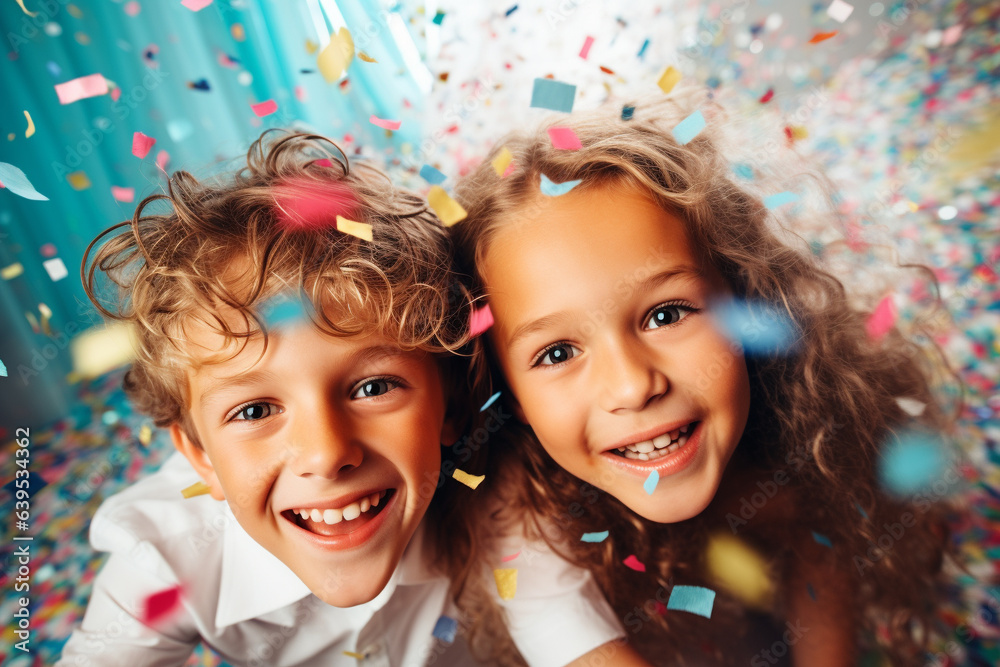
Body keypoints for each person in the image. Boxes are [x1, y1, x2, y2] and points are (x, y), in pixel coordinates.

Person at [58, 130, 651, 667]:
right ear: (200, 457)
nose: (326, 453)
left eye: (372, 388)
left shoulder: (493, 493)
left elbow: (577, 643)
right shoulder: (163, 558)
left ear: (449, 407)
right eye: (256, 411)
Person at [450, 85, 957, 665]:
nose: (632, 386)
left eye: (666, 315)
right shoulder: (517, 507)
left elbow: (812, 534)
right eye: (558, 353)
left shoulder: (783, 440)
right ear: (504, 392)